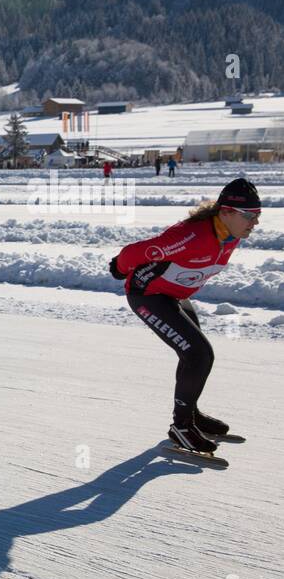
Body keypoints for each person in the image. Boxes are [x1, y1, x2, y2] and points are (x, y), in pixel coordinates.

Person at [109, 178, 259, 455]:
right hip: (147, 295)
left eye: (258, 215)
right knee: (199, 353)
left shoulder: (231, 234)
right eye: (249, 215)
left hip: (172, 296)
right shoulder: (192, 236)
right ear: (225, 212)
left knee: (194, 354)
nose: (255, 222)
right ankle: (181, 427)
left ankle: (190, 415)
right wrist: (119, 268)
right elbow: (135, 252)